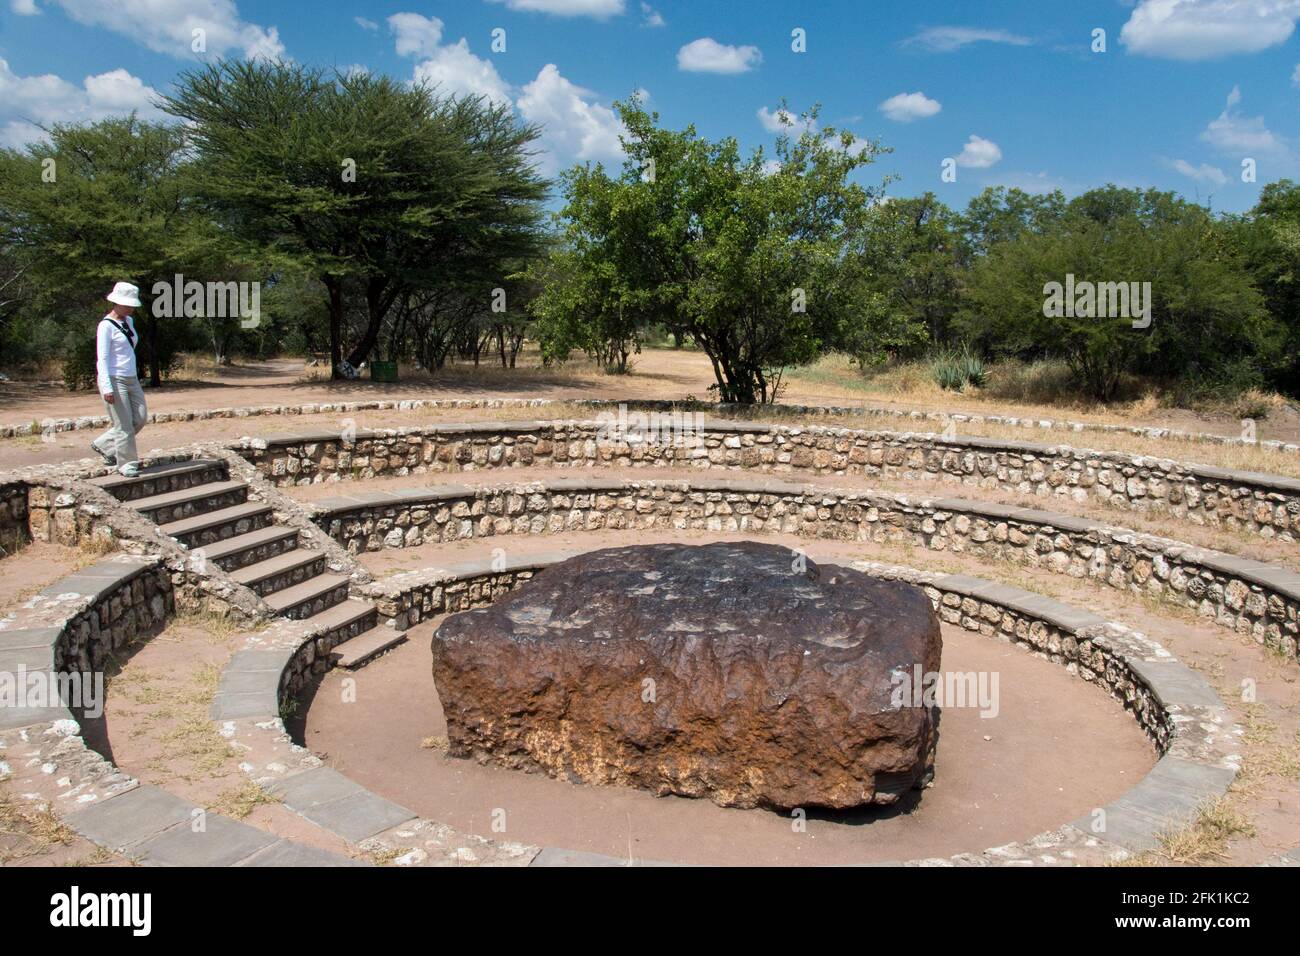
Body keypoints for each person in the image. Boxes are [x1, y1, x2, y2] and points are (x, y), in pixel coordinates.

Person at [89, 282, 147, 477]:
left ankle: (104, 445)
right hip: (114, 378)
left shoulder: (128, 322)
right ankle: (127, 464)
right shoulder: (105, 326)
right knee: (123, 426)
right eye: (127, 304)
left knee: (139, 418)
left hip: (131, 378)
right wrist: (106, 386)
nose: (131, 308)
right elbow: (102, 358)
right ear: (116, 303)